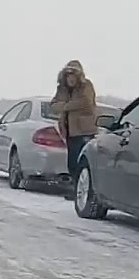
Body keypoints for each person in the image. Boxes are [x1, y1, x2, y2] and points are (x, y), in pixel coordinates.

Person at [50, 59, 97, 199]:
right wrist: (65, 106)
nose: (70, 78)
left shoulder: (86, 86)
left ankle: (85, 191)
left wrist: (65, 106)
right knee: (72, 162)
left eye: (73, 75)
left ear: (78, 76)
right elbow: (53, 105)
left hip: (84, 130)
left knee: (83, 162)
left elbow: (86, 103)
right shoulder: (62, 89)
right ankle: (76, 189)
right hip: (69, 130)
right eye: (68, 75)